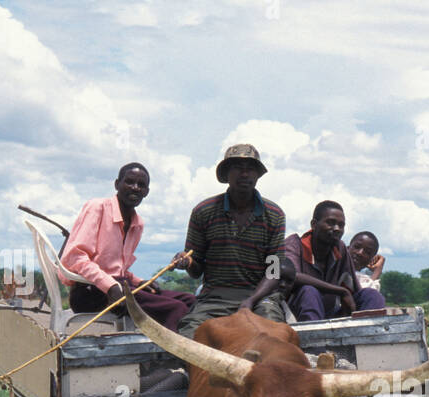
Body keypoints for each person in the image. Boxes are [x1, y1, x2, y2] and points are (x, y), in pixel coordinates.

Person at [60, 163, 196, 330]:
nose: (135, 188)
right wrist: (110, 286)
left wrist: (139, 282)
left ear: (146, 192)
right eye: (129, 182)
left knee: (190, 300)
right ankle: (169, 355)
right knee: (176, 309)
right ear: (117, 184)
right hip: (89, 292)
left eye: (141, 185)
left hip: (120, 286)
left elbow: (116, 270)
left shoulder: (137, 224)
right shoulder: (97, 207)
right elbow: (76, 257)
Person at [178, 143, 288, 338]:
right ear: (227, 173)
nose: (244, 174)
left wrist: (251, 301)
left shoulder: (275, 214)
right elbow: (196, 271)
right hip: (215, 297)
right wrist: (187, 262)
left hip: (260, 297)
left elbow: (274, 272)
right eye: (237, 168)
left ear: (257, 175)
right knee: (189, 334)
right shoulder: (204, 211)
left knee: (275, 336)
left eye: (250, 169)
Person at [285, 202, 388, 322]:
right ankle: (316, 337)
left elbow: (353, 287)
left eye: (341, 225)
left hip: (329, 314)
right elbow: (292, 275)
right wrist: (340, 291)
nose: (337, 229)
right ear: (314, 224)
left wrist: (350, 301)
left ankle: (366, 336)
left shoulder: (339, 248)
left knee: (371, 295)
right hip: (295, 316)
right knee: (309, 291)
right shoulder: (294, 244)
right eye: (330, 223)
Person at [348, 231, 385, 296]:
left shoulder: (364, 278)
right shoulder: (336, 269)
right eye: (356, 247)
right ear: (347, 248)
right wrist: (377, 271)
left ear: (371, 259)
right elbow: (365, 294)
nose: (360, 253)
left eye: (367, 252)